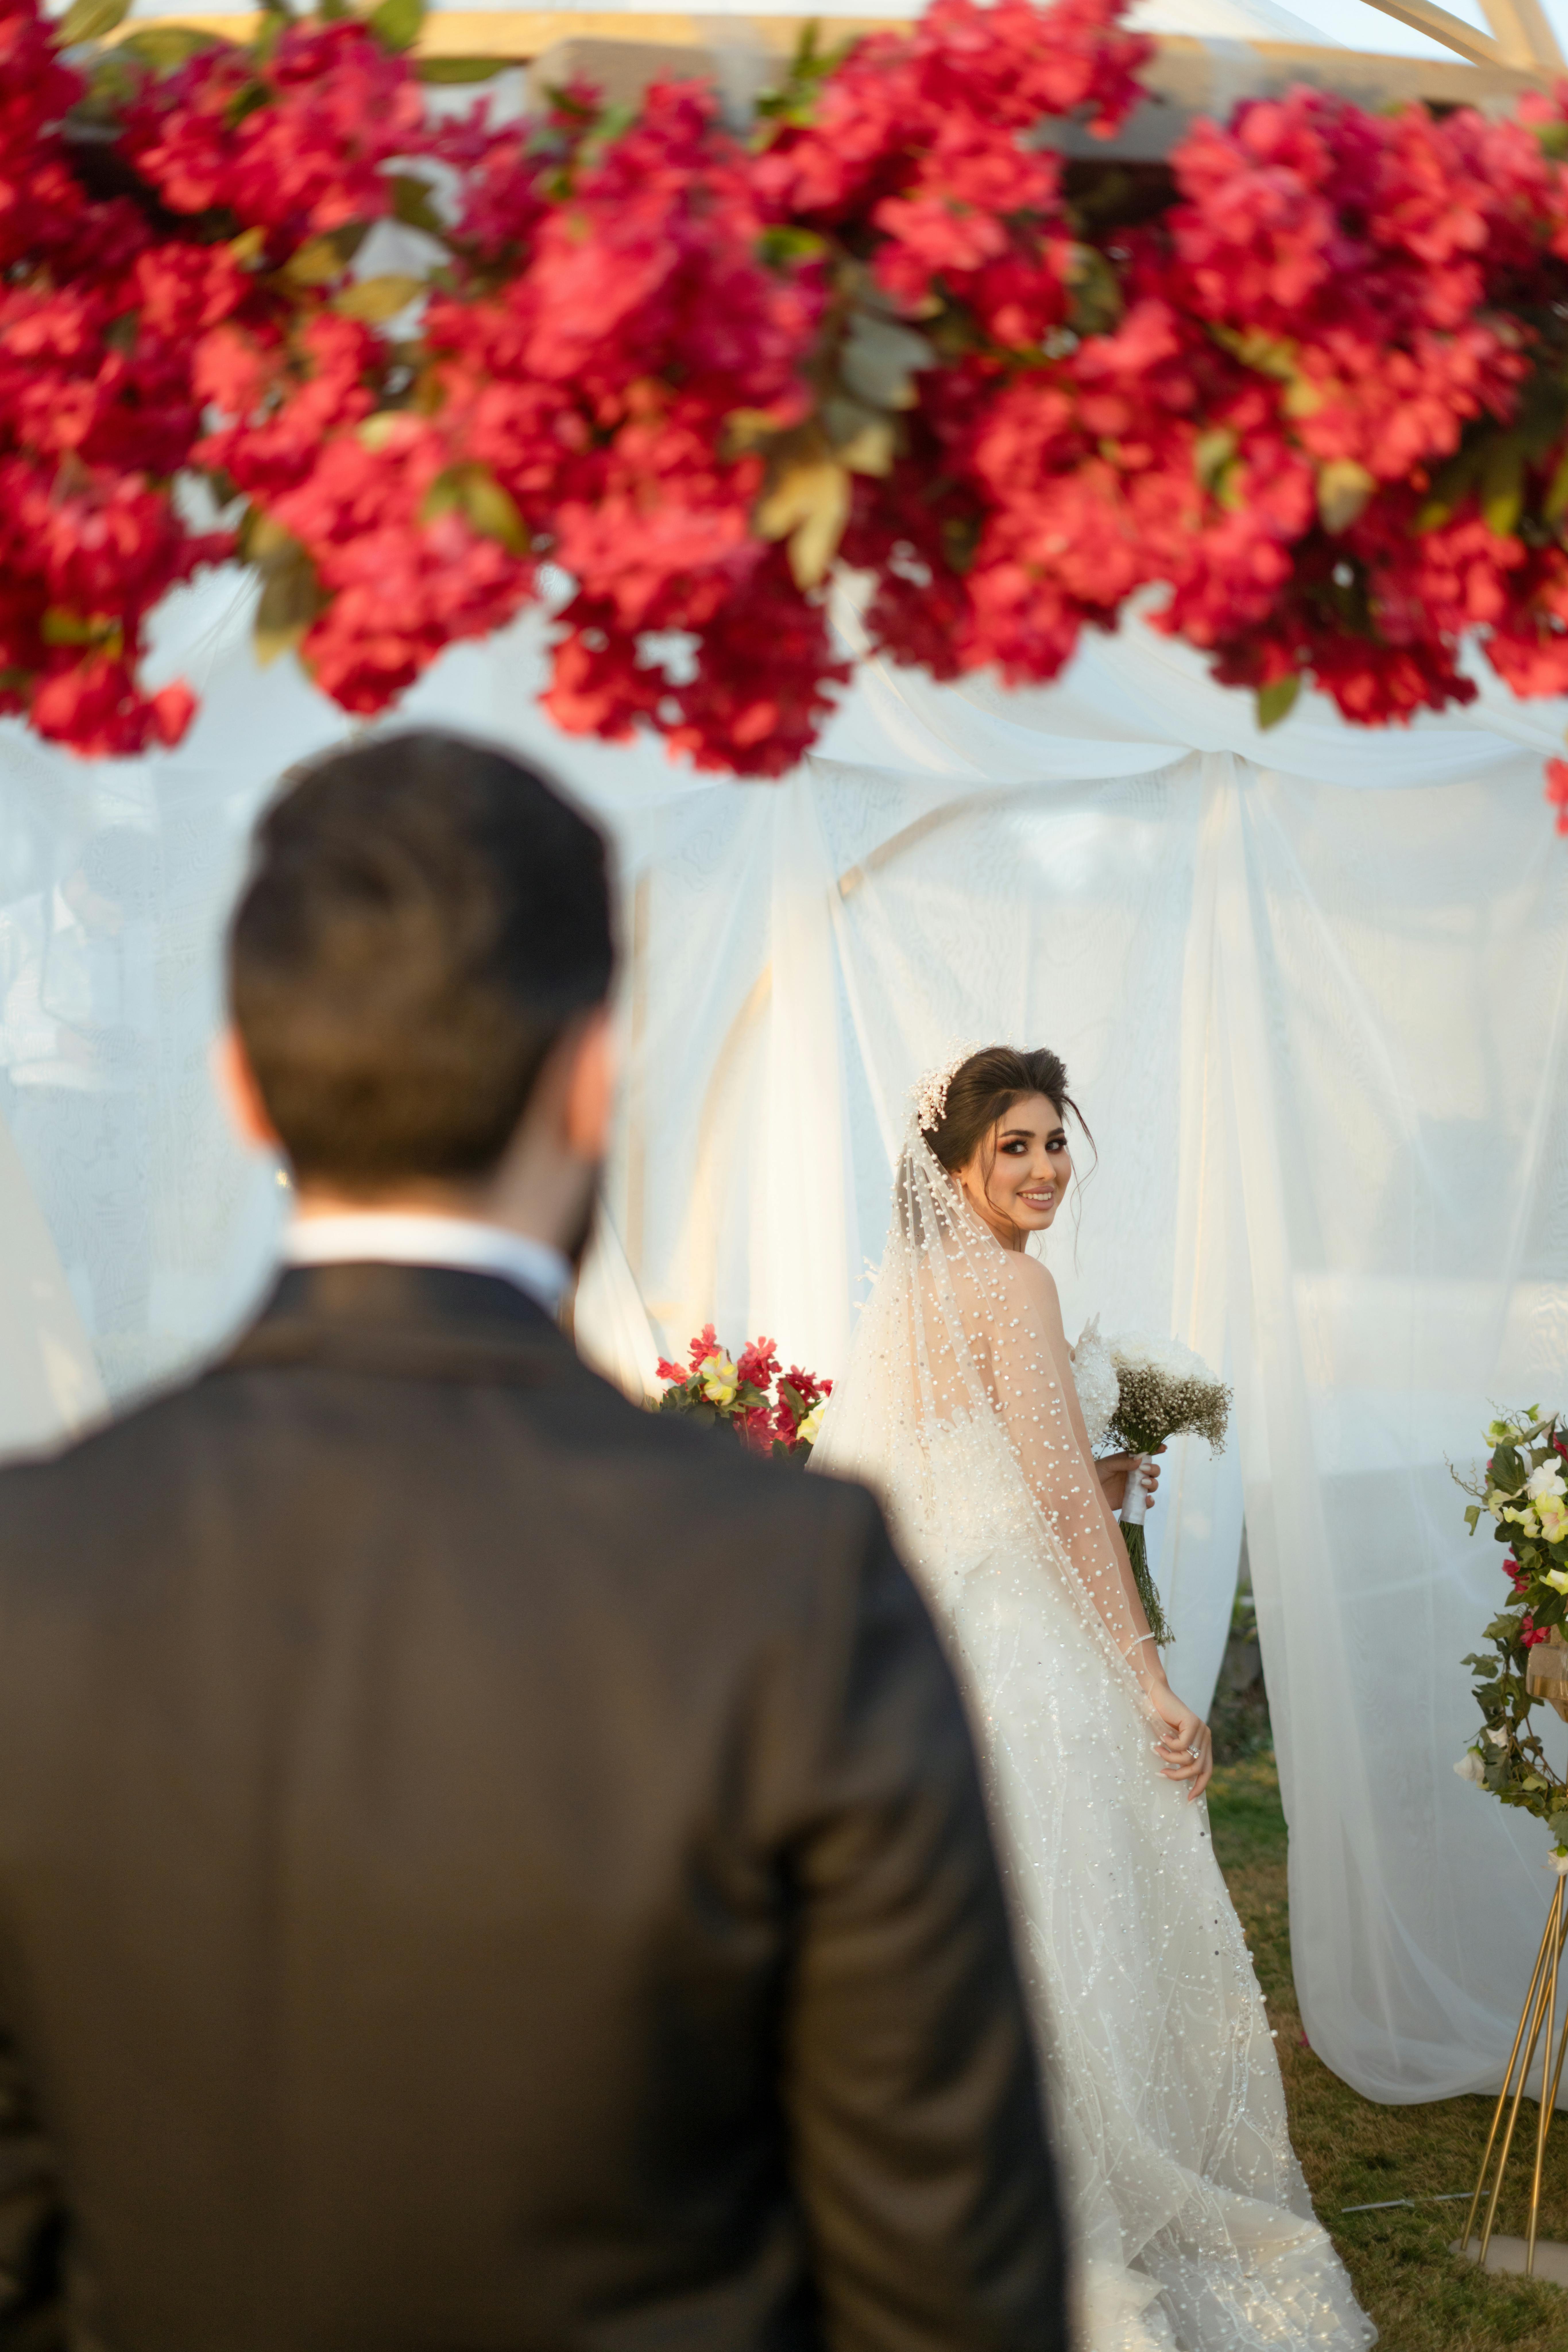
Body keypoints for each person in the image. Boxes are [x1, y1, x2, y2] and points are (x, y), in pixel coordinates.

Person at [0, 736, 1067, 2352]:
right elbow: (947, 2281)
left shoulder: (34, 1566)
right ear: (591, 1076)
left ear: (239, 1089)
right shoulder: (793, 1577)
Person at [809, 1045, 1375, 2352]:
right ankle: (1074, 2213)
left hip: (934, 1648)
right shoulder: (1012, 1285)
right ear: (955, 1164)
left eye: (1054, 1141)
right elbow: (1057, 1505)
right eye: (1013, 1145)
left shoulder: (907, 1297)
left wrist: (1102, 1474)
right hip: (1019, 1645)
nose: (1043, 1167)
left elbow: (968, 1469)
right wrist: (1152, 1679)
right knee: (1064, 1921)